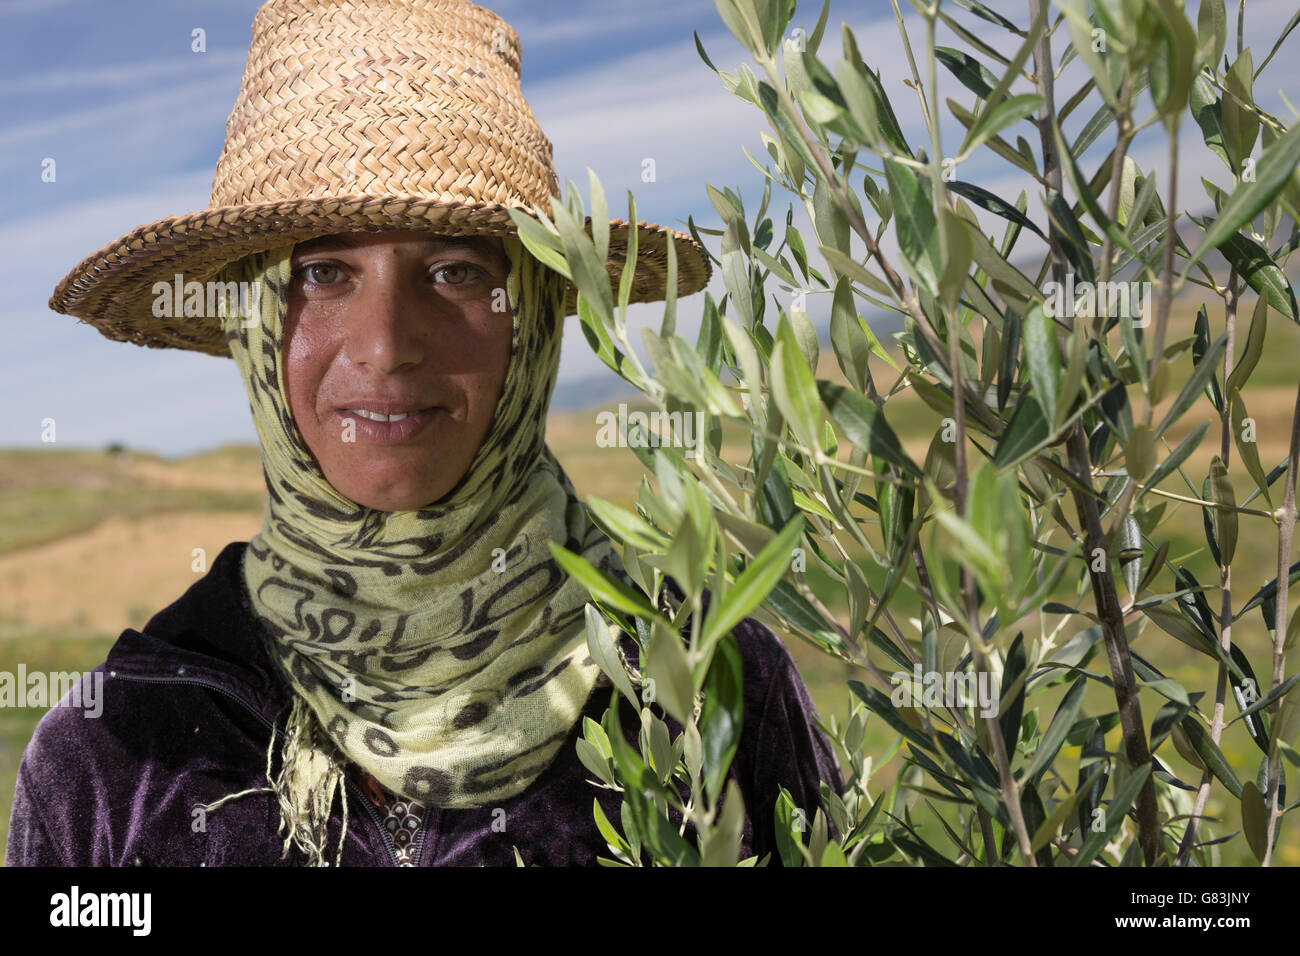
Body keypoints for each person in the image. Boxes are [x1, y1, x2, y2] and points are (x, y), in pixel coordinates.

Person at [7, 0, 840, 867]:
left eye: (456, 271)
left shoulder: (708, 677)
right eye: (322, 273)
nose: (386, 344)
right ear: (254, 322)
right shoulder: (113, 748)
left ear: (532, 319)